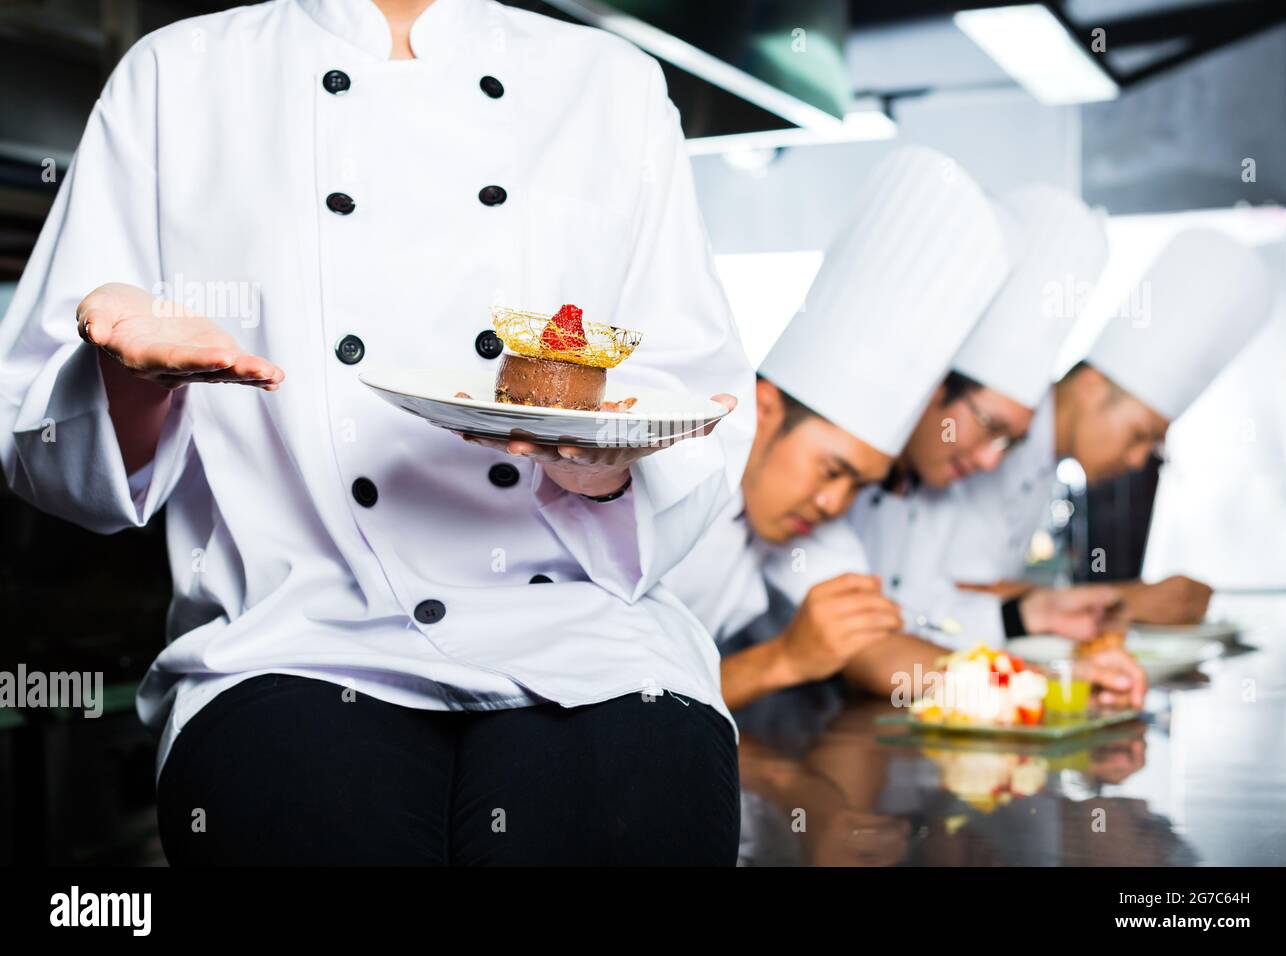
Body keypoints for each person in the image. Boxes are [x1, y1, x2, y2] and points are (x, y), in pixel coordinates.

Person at [0, 0, 756, 865]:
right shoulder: (177, 74)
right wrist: (130, 376)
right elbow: (47, 457)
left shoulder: (613, 84)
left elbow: (691, 395)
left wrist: (598, 468)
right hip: (287, 639)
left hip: (593, 641)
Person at [763, 185, 1147, 709]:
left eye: (1011, 442)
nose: (991, 460)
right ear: (929, 393)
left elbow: (888, 634)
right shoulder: (700, 484)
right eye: (989, 426)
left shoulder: (855, 504)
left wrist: (1051, 673)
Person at [663, 145, 1015, 711]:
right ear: (766, 408)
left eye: (858, 485)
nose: (835, 502)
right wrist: (783, 659)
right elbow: (606, 710)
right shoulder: (651, 482)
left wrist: (1036, 685)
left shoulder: (797, 519)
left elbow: (878, 650)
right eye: (834, 469)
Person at [940, 227, 1276, 634]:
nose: (1137, 459)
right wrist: (1131, 599)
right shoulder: (993, 444)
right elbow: (945, 593)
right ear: (1092, 387)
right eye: (1139, 434)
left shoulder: (1048, 460)